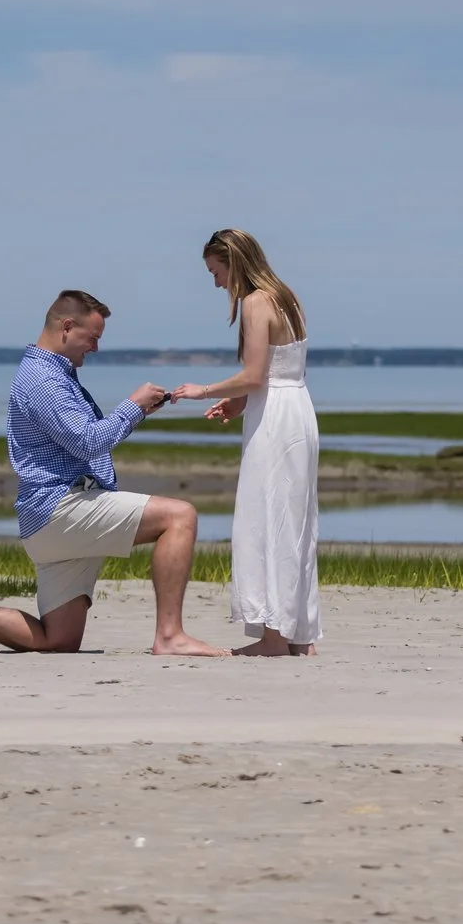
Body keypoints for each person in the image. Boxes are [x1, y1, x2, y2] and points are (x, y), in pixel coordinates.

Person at [0, 289, 227, 657]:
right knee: (180, 516)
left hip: (49, 520)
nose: (95, 348)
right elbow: (87, 442)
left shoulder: (49, 374)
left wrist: (137, 411)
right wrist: (133, 407)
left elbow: (83, 439)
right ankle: (170, 636)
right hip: (62, 510)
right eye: (92, 337)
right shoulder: (44, 380)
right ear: (67, 327)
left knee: (58, 640)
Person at [168, 229, 321, 655]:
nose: (216, 282)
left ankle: (273, 638)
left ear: (233, 262)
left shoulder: (256, 303)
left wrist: (206, 390)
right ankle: (300, 637)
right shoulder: (286, 296)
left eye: (216, 271)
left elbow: (256, 375)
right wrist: (237, 403)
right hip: (296, 410)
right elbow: (279, 369)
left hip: (275, 418)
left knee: (268, 517)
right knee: (295, 521)